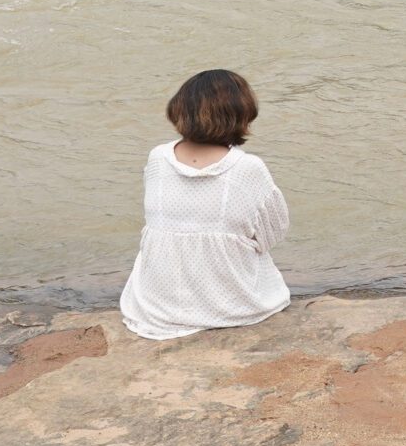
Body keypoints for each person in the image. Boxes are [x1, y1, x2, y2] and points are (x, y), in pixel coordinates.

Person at [118, 68, 292, 341]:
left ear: (178, 110)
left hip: (155, 306)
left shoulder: (158, 157)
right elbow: (274, 232)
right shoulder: (248, 167)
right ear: (241, 113)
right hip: (231, 305)